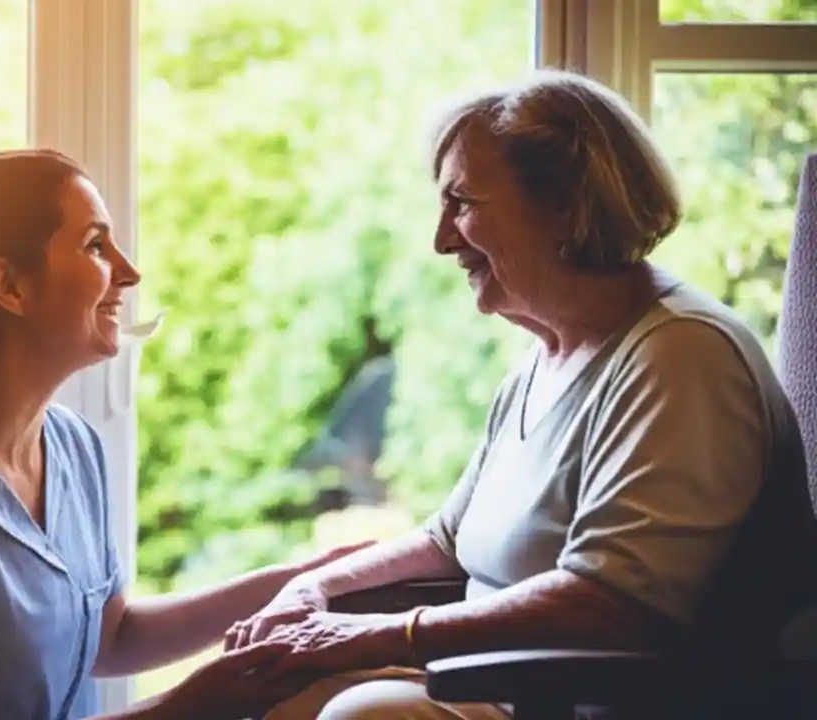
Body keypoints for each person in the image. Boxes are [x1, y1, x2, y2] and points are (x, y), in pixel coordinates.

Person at [229, 69, 817, 719]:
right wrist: (311, 590)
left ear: (565, 203)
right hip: (506, 687)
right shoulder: (542, 362)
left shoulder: (683, 356)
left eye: (463, 203)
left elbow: (611, 604)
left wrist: (372, 636)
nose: (442, 239)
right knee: (262, 686)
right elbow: (446, 541)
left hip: (599, 702)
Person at [0, 149, 365, 720]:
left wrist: (307, 579)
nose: (129, 272)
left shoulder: (72, 446)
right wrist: (190, 707)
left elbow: (110, 639)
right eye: (95, 245)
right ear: (8, 286)